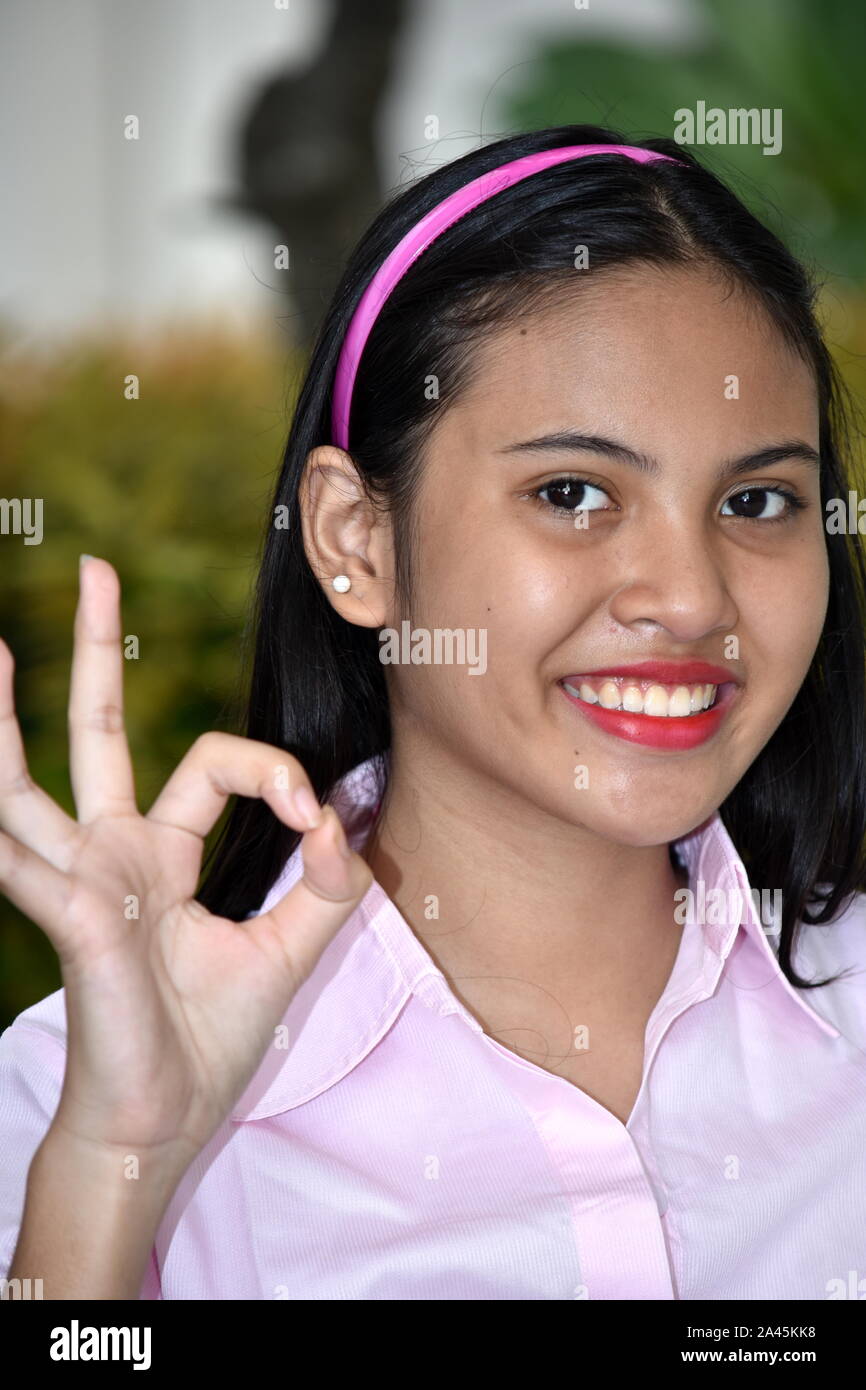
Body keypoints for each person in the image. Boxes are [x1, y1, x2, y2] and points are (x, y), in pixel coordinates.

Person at [1, 124, 865, 1302]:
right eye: (572, 493)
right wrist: (115, 1168)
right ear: (358, 542)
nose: (687, 597)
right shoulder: (68, 1101)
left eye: (757, 499)